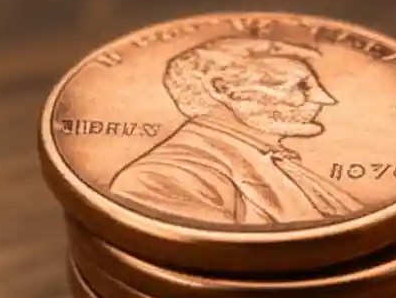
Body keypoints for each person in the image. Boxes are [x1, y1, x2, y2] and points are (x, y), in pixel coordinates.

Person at [109, 37, 362, 225]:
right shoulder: (158, 179)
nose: (325, 99)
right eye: (301, 86)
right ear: (223, 88)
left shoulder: (282, 164)